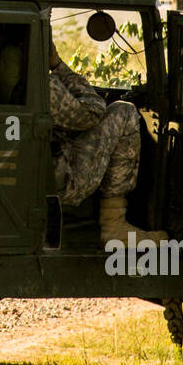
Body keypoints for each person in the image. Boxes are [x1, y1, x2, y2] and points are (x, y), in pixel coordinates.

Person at [48, 40, 166, 244]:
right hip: (58, 182)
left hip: (26, 177)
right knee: (124, 112)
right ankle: (113, 225)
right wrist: (57, 64)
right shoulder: (38, 84)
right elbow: (92, 112)